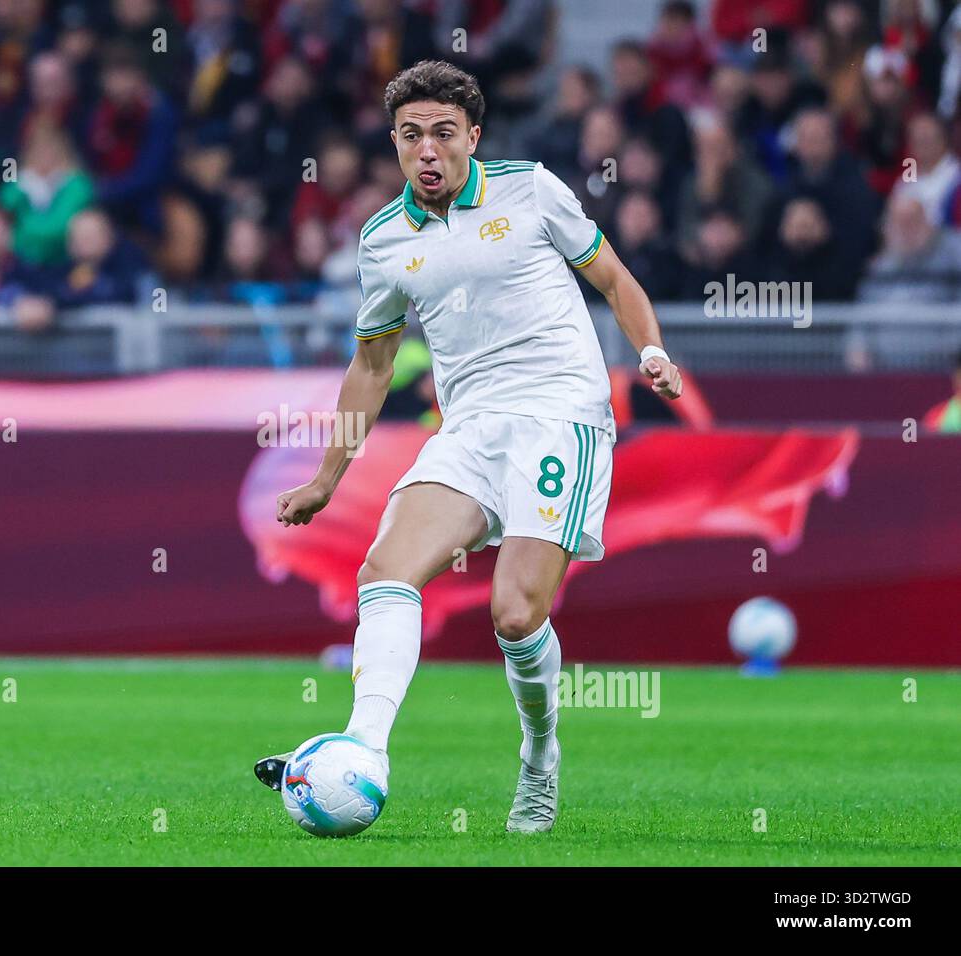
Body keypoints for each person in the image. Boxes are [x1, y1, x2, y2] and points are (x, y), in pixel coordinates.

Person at [252, 61, 683, 834]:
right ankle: (365, 751)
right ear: (394, 143)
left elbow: (615, 280)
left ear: (473, 138)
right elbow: (374, 364)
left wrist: (650, 351)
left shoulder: (532, 189)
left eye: (443, 135)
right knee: (384, 569)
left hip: (561, 415)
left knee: (514, 615)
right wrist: (326, 475)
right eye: (411, 136)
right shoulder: (383, 240)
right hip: (470, 427)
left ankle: (540, 758)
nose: (427, 151)